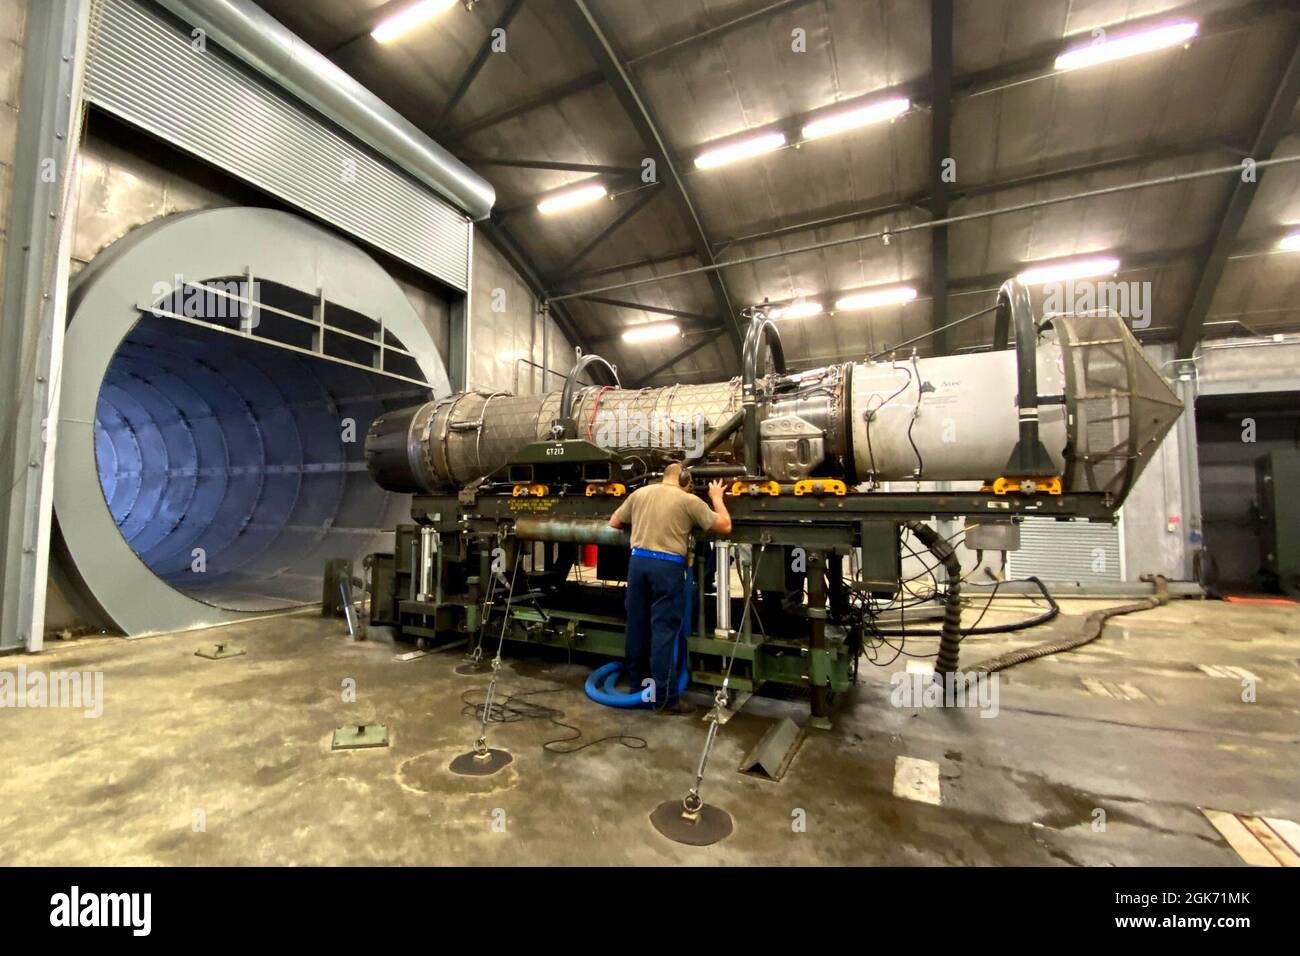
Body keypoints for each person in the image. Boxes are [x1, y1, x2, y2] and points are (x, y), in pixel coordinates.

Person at [609, 463, 731, 714]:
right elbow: (725, 526)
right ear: (685, 478)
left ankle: (637, 689)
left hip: (638, 564)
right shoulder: (688, 500)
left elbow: (614, 521)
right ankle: (665, 699)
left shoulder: (640, 493)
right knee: (663, 631)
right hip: (667, 568)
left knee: (637, 626)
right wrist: (717, 498)